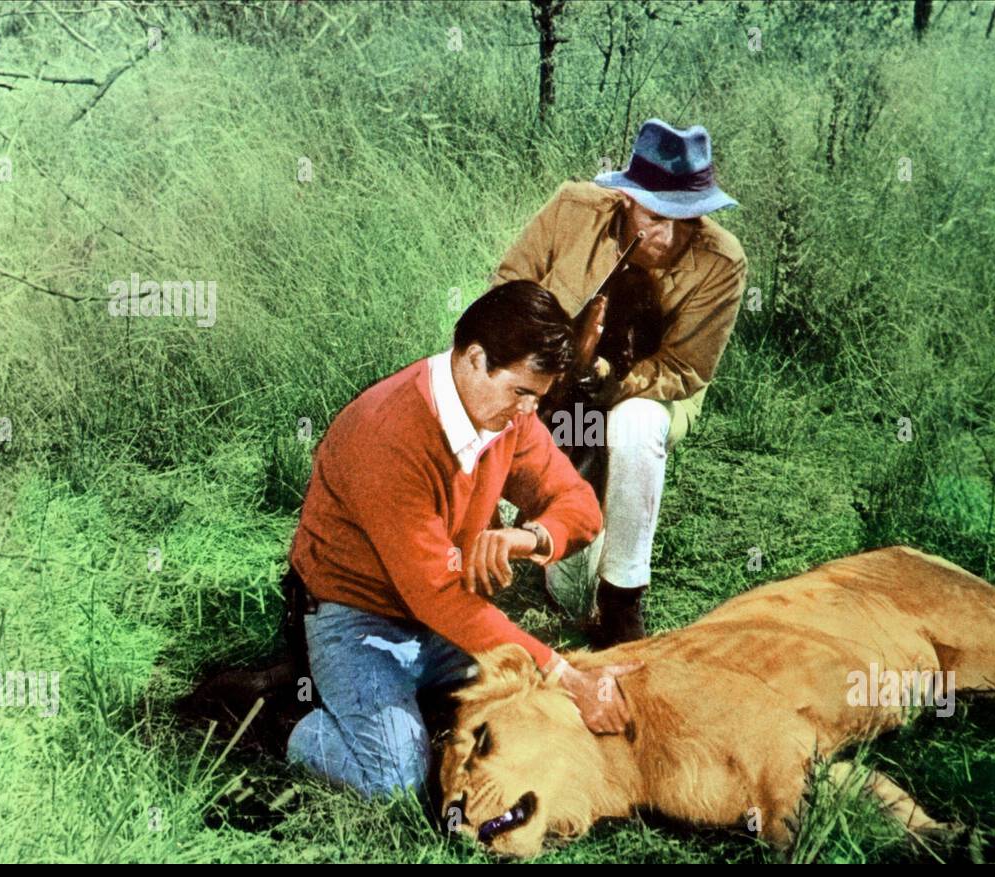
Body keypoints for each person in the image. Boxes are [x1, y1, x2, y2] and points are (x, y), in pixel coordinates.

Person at [285, 281, 640, 800]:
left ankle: (408, 702)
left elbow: (581, 506)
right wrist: (560, 672)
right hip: (355, 615)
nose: (528, 413)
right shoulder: (390, 433)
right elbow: (436, 594)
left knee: (539, 704)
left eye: (537, 399)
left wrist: (529, 538)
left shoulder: (509, 417)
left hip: (442, 614)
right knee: (396, 782)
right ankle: (285, 723)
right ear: (474, 358)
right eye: (520, 392)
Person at [490, 118, 748, 646]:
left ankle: (623, 596)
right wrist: (548, 364)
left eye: (689, 218)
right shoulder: (573, 210)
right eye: (657, 217)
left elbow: (687, 368)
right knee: (565, 590)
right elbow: (504, 291)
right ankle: (485, 510)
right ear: (627, 199)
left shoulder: (724, 263)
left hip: (652, 390)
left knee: (633, 427)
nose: (672, 235)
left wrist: (609, 379)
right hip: (554, 383)